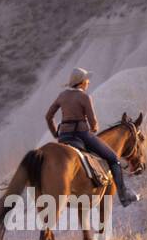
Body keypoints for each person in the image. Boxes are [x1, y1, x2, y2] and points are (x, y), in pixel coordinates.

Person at [45, 68, 139, 206]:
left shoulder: (62, 95)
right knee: (114, 159)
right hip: (81, 135)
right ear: (82, 82)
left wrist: (55, 133)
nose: (88, 82)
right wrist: (94, 127)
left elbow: (48, 117)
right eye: (87, 80)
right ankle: (124, 195)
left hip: (64, 137)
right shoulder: (84, 97)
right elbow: (93, 122)